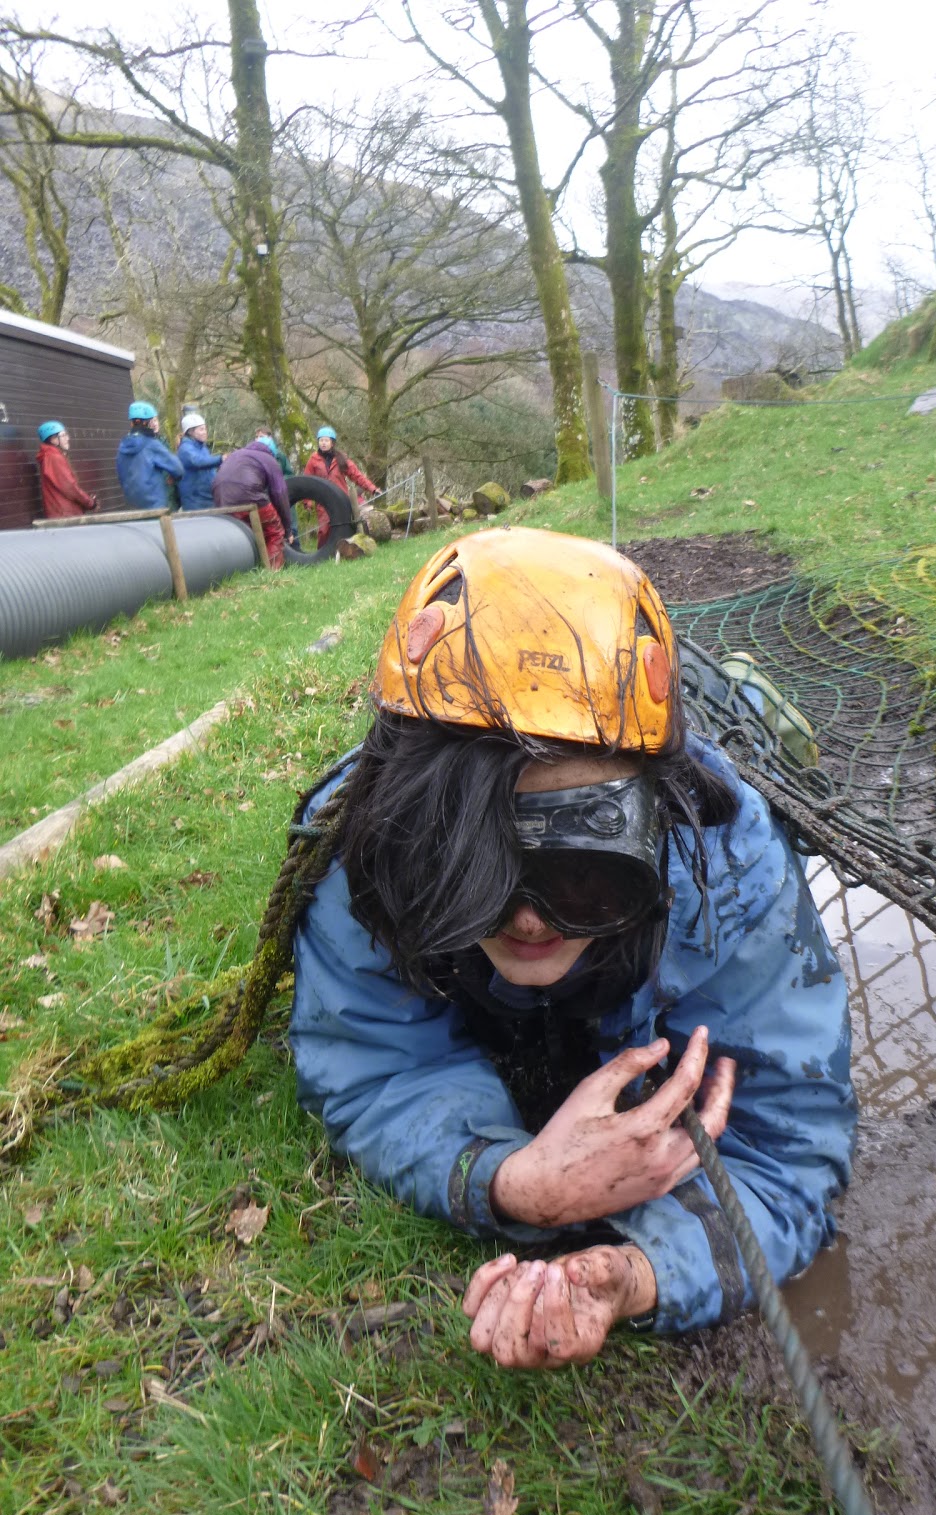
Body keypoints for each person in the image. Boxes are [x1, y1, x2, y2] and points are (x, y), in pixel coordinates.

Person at [289, 528, 855, 1371]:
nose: (525, 920)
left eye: (584, 871)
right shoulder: (376, 850)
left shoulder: (728, 868)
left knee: (758, 713)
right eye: (472, 873)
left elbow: (787, 1150)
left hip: (717, 796)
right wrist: (513, 1182)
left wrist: (636, 1274)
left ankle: (740, 690)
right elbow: (371, 1062)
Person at [211, 433, 293, 570]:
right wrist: (287, 529)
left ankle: (242, 571)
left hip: (221, 499)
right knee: (274, 531)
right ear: (272, 451)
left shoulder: (236, 454)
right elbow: (279, 493)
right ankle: (272, 572)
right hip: (249, 497)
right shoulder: (269, 459)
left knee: (242, 535)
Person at [302, 426, 379, 548]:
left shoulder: (341, 458)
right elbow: (306, 482)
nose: (323, 443)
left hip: (341, 499)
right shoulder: (313, 459)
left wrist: (372, 489)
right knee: (324, 530)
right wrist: (307, 502)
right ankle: (322, 555)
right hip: (322, 501)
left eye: (326, 440)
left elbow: (357, 475)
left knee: (342, 527)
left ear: (332, 443)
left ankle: (344, 552)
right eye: (321, 440)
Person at [115, 401, 183, 511]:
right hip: (156, 506)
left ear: (131, 423)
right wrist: (174, 476)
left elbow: (121, 476)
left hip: (134, 508)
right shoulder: (152, 444)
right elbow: (178, 469)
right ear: (148, 423)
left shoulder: (122, 447)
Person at [36, 421, 98, 519]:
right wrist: (90, 503)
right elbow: (69, 487)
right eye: (63, 435)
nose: (68, 438)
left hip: (62, 512)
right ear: (53, 440)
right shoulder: (54, 457)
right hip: (65, 515)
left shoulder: (50, 456)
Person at [254, 426, 298, 546]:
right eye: (256, 437)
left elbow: (289, 474)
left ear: (270, 438)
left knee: (290, 525)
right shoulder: (254, 456)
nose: (258, 439)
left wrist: (279, 483)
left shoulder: (279, 456)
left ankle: (297, 553)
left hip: (283, 495)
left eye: (261, 437)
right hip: (266, 498)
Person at [176, 413, 223, 511]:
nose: (205, 432)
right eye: (201, 429)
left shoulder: (202, 448)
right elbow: (197, 461)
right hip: (195, 501)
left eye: (205, 429)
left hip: (207, 498)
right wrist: (220, 459)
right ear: (190, 432)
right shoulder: (185, 449)